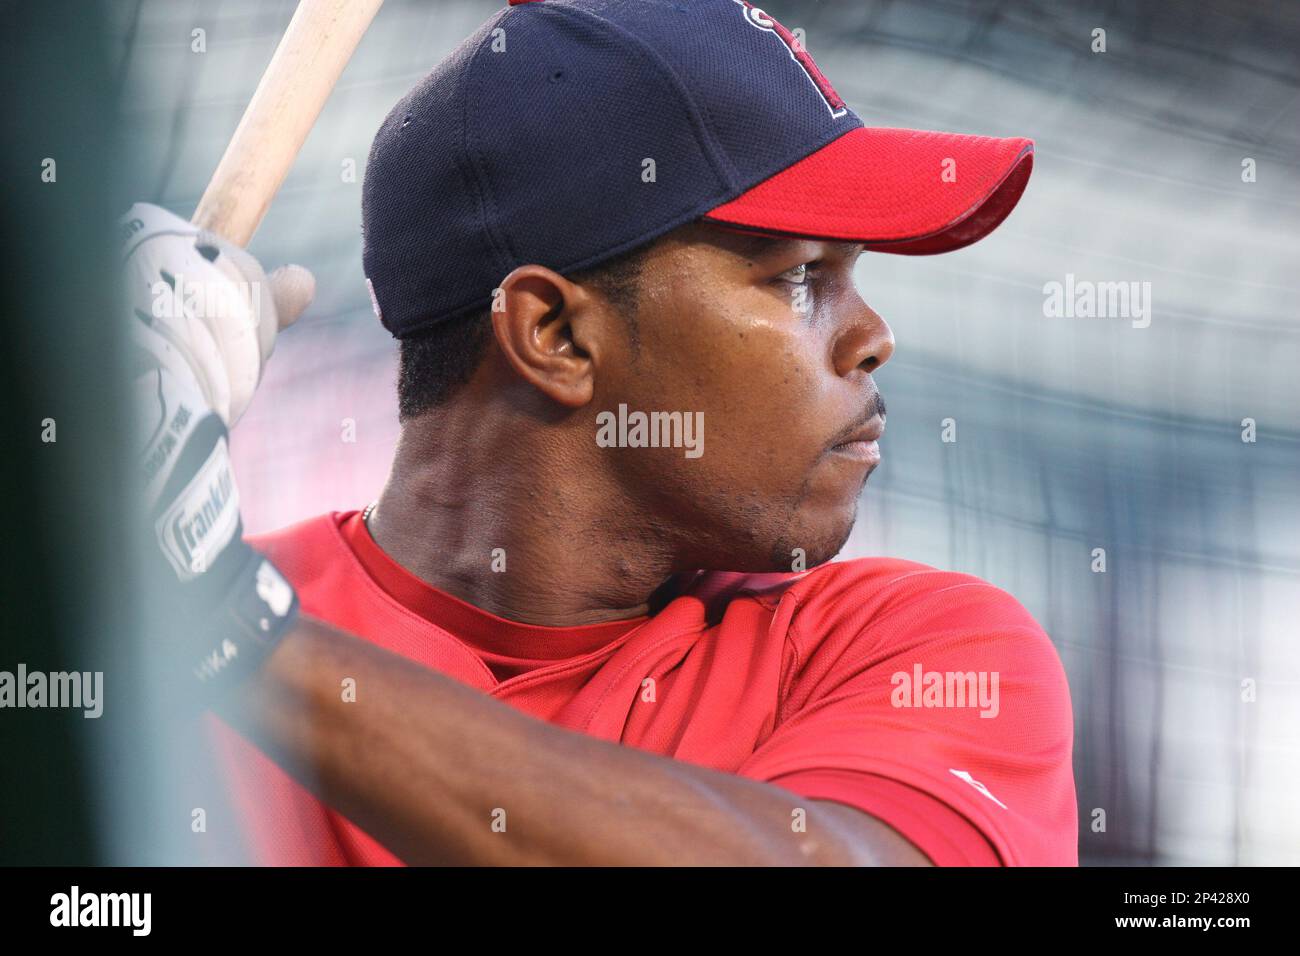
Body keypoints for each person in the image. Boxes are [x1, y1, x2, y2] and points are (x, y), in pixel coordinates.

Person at [127, 0, 1075, 866]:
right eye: (800, 280)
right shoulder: (131, 632)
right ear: (555, 335)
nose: (874, 338)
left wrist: (232, 636)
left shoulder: (910, 651)